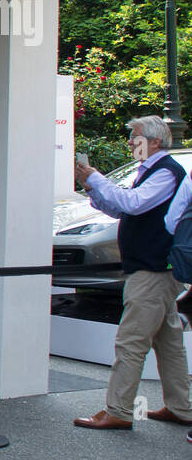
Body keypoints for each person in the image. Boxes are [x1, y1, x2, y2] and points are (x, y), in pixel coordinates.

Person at [71, 115, 192, 431]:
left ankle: (120, 410)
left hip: (151, 270)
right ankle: (181, 407)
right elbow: (122, 207)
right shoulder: (155, 171)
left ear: (154, 141)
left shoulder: (165, 172)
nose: (130, 141)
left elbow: (133, 204)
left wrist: (96, 179)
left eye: (135, 136)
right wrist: (93, 187)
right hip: (156, 268)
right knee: (168, 342)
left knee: (130, 341)